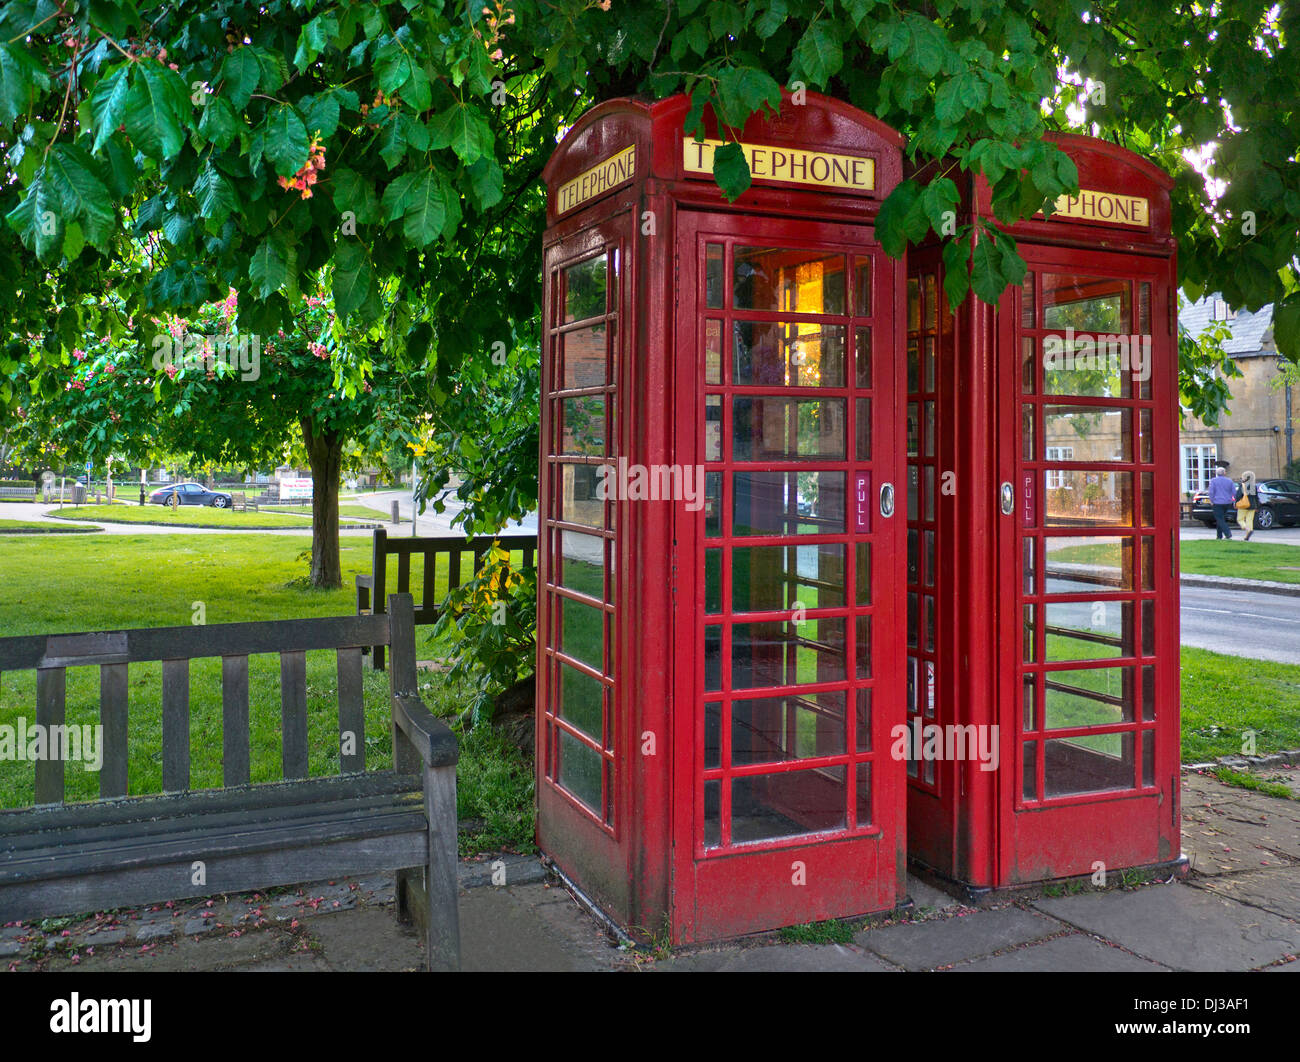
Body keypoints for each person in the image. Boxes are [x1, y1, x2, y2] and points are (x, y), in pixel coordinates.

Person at [1207, 466, 1237, 539]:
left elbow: (1211, 492)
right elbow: (1234, 492)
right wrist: (1233, 500)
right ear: (1224, 473)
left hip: (1217, 502)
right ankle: (1219, 536)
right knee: (1221, 519)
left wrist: (1211, 500)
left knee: (1219, 519)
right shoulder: (1229, 481)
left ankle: (1228, 533)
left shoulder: (1213, 481)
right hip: (1227, 502)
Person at [1237, 470, 1259, 541]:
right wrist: (1257, 506)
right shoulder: (1253, 486)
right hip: (1252, 505)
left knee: (1240, 519)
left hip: (1244, 505)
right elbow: (1256, 497)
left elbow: (1238, 495)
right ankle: (1247, 536)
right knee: (1249, 520)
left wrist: (1236, 503)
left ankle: (1247, 529)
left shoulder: (1243, 485)